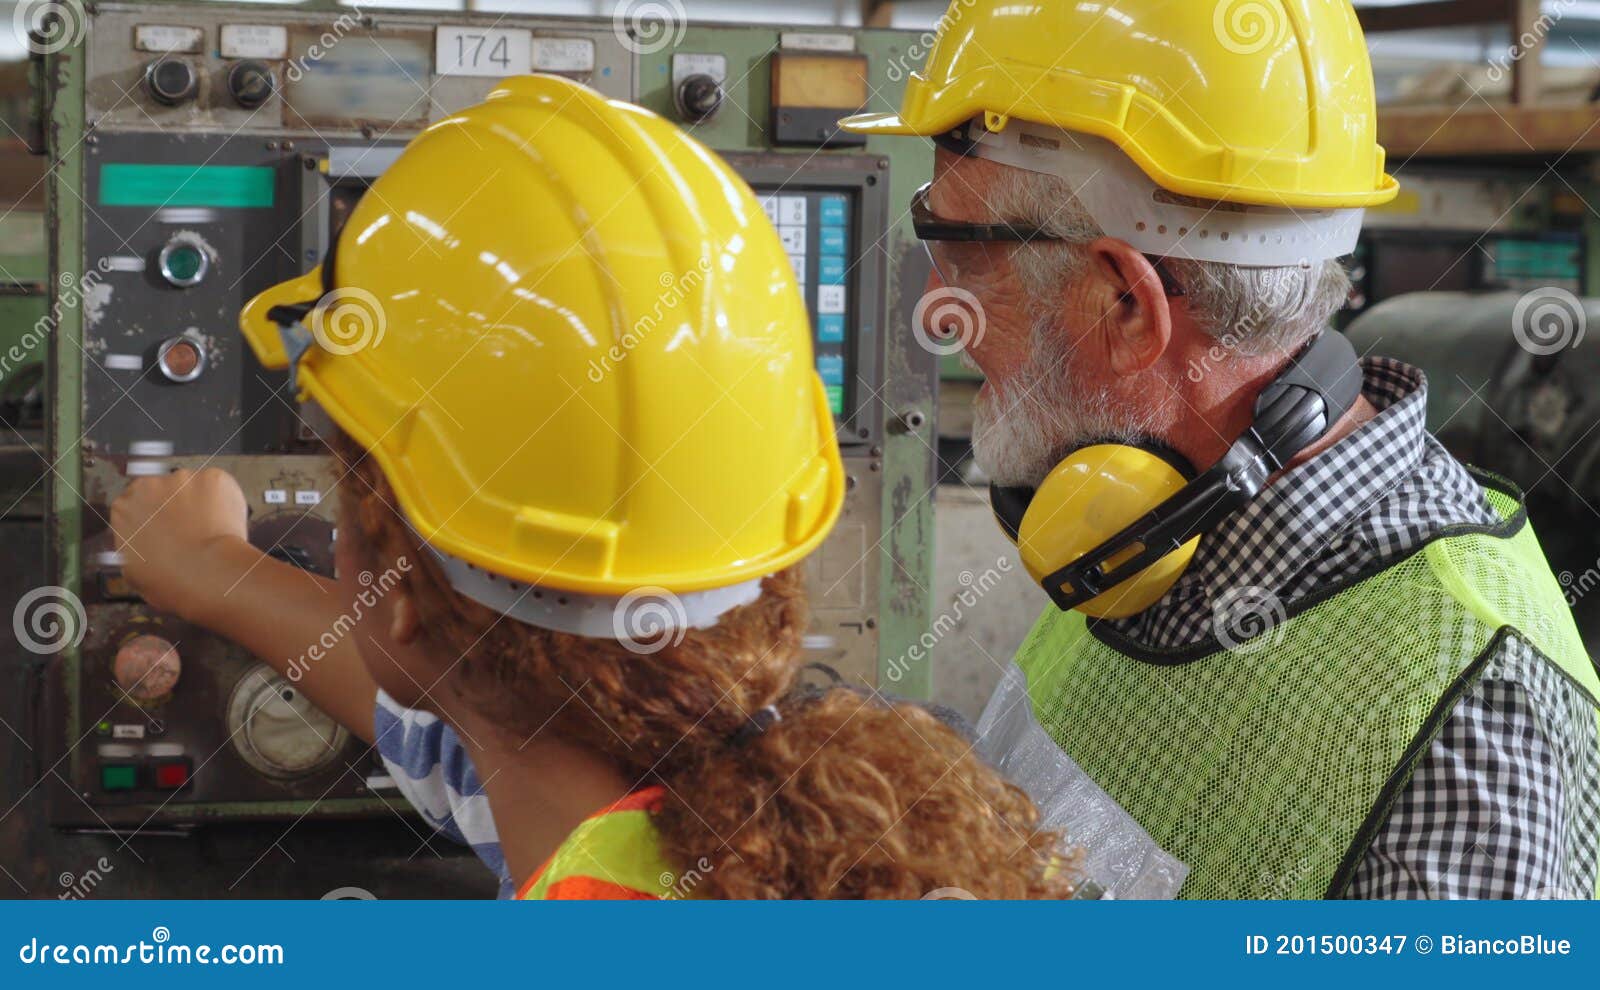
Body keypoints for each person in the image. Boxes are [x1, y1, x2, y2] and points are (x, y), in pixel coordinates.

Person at [110, 75, 1074, 900]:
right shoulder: (796, 830)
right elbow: (473, 730)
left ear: (395, 587)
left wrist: (211, 566)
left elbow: (485, 701)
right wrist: (216, 571)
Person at [841, 0, 1600, 899]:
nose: (942, 311)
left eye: (959, 255)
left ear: (1125, 302)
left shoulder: (1467, 733)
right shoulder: (1142, 524)